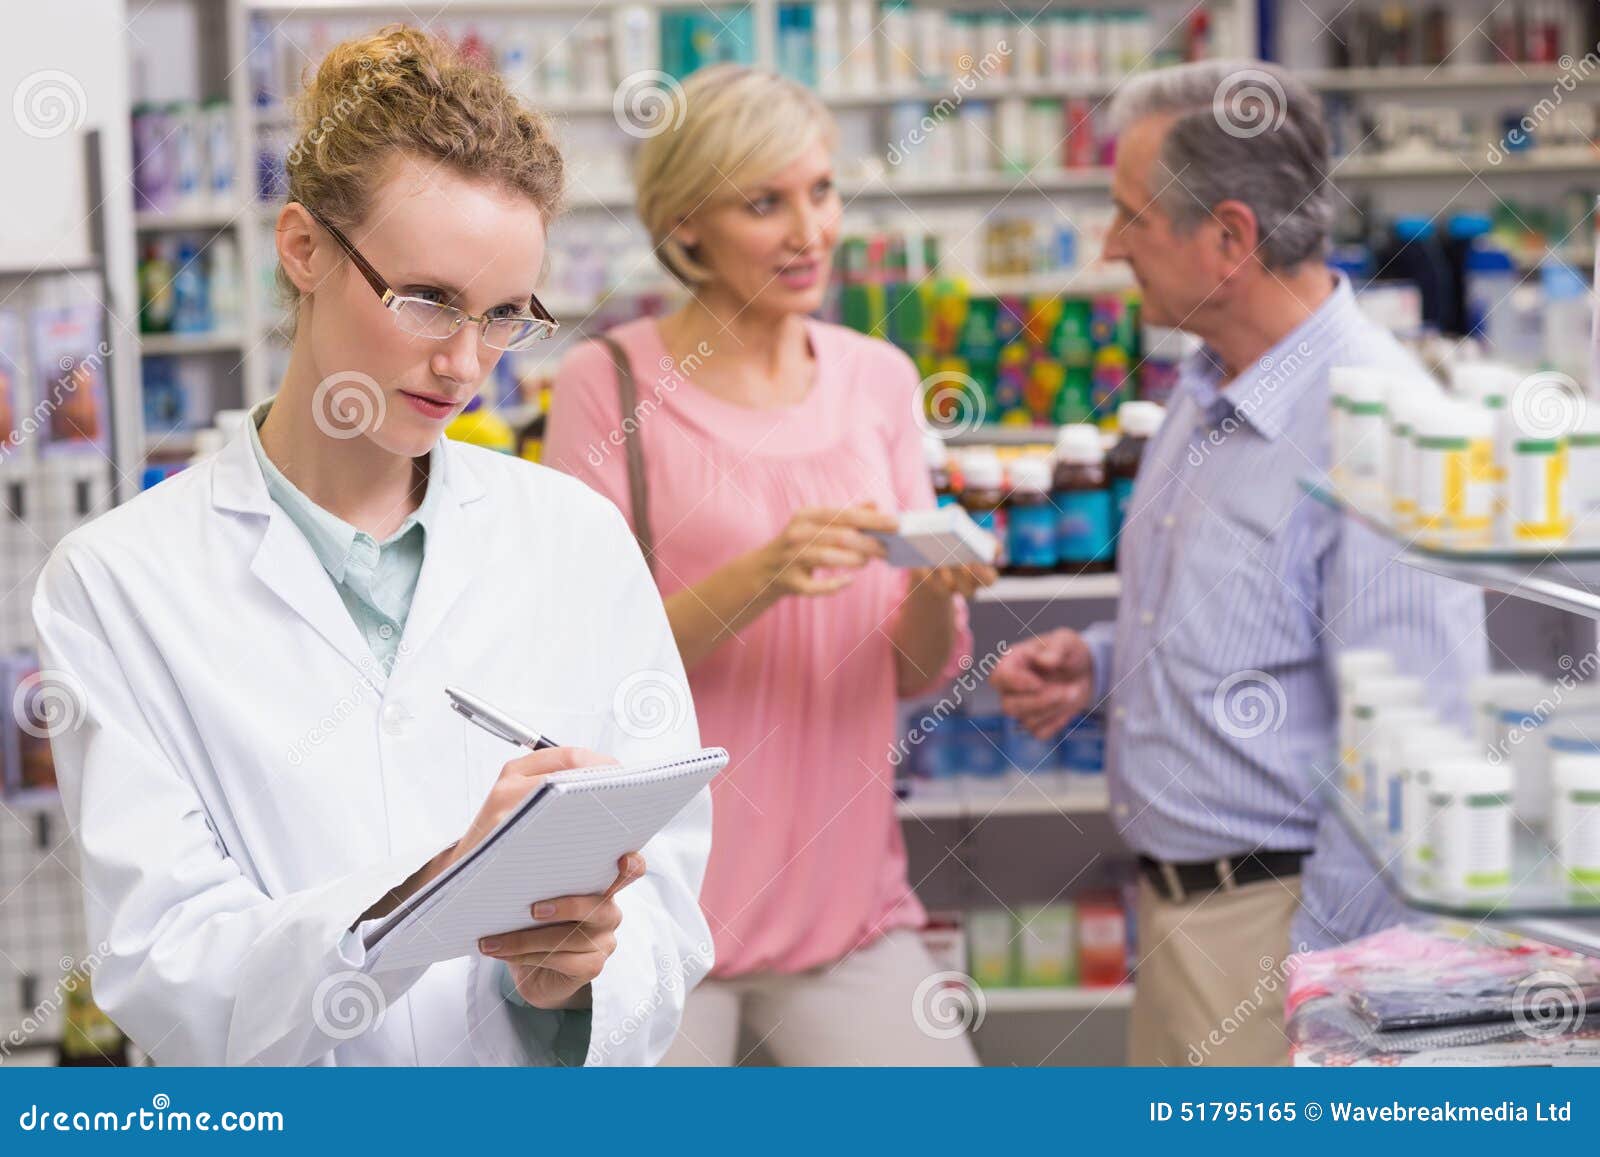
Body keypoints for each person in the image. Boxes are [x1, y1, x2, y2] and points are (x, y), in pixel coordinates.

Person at [31, 27, 711, 1067]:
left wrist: (574, 978)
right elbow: (167, 962)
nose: (462, 360)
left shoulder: (572, 538)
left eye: (503, 316)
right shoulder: (117, 581)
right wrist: (430, 890)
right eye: (428, 297)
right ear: (302, 246)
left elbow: (664, 896)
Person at [990, 60, 1486, 1066]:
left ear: (1228, 237)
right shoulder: (1209, 383)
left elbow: (1415, 744)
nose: (1110, 244)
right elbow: (1251, 619)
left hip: (1286, 945)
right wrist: (1102, 658)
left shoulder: (1378, 428)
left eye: (1130, 215)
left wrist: (1318, 986)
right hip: (1182, 927)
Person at [544, 65, 995, 1066]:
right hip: (650, 907)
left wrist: (931, 583)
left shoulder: (879, 378)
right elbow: (576, 663)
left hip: (848, 909)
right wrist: (763, 574)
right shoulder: (606, 380)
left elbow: (917, 671)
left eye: (821, 190)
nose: (809, 230)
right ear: (685, 223)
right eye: (764, 203)